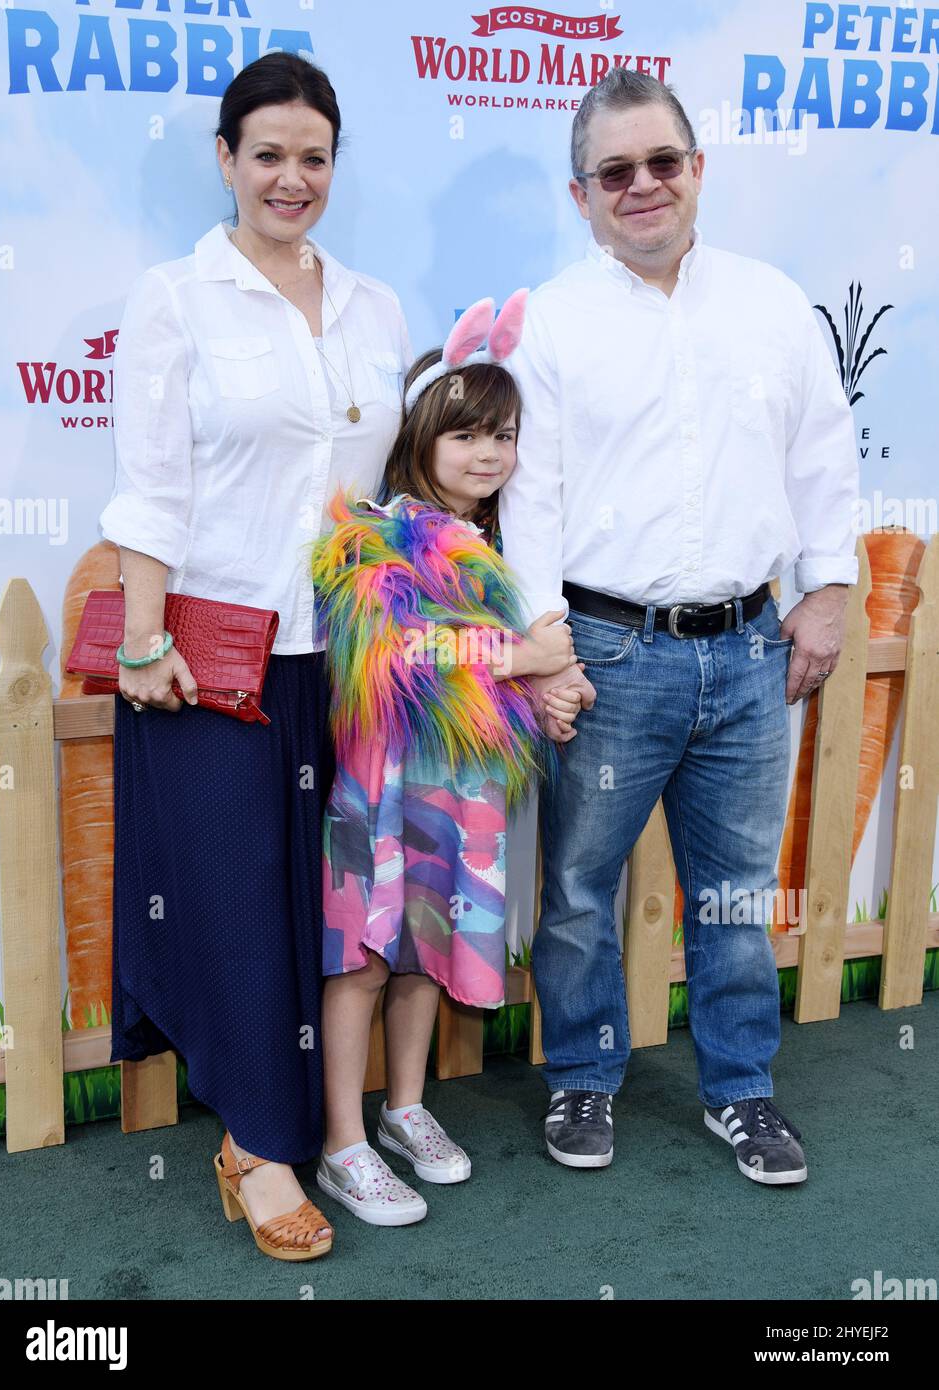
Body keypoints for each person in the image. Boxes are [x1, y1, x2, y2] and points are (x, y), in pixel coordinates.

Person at [498, 68, 859, 1184]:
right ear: (581, 196)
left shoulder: (771, 303)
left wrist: (831, 585)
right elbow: (532, 496)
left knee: (740, 892)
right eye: (617, 171)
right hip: (607, 657)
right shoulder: (548, 324)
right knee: (576, 893)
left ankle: (742, 1091)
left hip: (752, 650)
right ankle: (583, 1078)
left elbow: (822, 456)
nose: (643, 185)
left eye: (663, 162)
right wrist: (546, 642)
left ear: (699, 170)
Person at [99, 52, 411, 1260]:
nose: (293, 178)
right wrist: (138, 638)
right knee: (234, 902)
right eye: (268, 153)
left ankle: (319, 1126)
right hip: (213, 657)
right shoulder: (174, 300)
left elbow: (381, 485)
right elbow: (150, 491)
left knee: (321, 910)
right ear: (224, 159)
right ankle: (259, 1146)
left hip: (347, 654)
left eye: (315, 157)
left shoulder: (376, 305)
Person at [310, 296, 582, 1225]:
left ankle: (406, 1109)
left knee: (425, 949)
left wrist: (547, 685)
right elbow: (394, 660)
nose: (487, 453)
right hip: (379, 789)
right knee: (361, 957)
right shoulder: (374, 536)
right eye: (465, 432)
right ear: (421, 432)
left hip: (460, 795)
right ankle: (342, 1141)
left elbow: (519, 660)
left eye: (503, 434)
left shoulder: (501, 553)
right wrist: (522, 660)